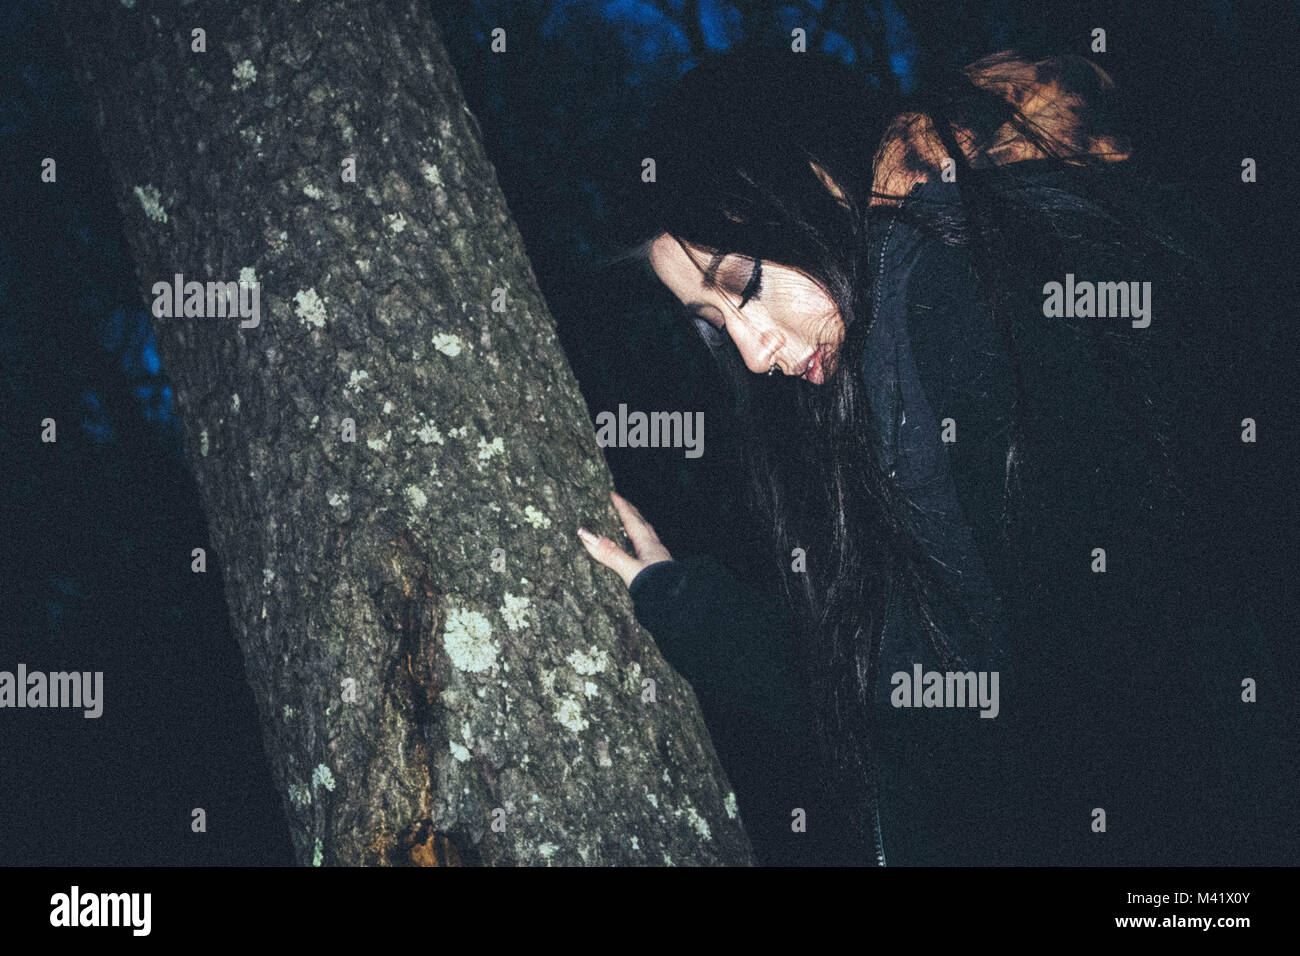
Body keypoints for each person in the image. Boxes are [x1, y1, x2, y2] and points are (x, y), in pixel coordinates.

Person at [579, 49, 1294, 865]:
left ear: (819, 179)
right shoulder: (973, 275)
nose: (750, 350)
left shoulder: (944, 299)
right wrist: (690, 603)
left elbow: (975, 726)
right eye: (712, 321)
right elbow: (943, 679)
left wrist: (703, 617)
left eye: (742, 284)